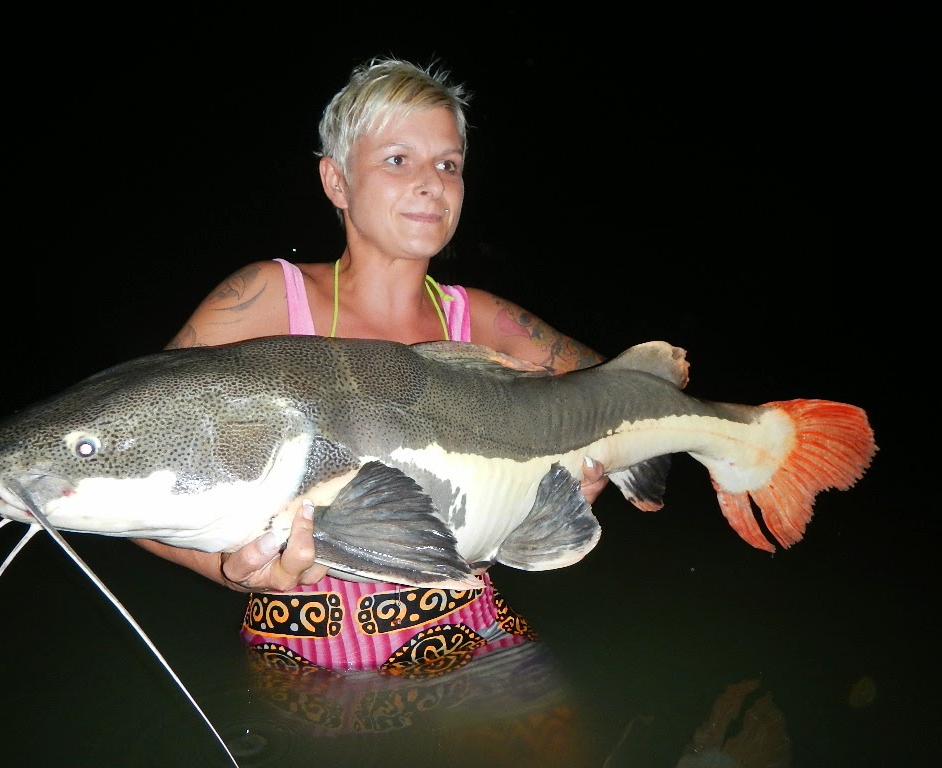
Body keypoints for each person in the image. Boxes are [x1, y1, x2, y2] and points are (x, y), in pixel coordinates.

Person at [134, 57, 608, 675]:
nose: (431, 183)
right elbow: (133, 463)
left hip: (474, 629)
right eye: (397, 159)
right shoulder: (267, 298)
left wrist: (578, 464)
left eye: (448, 164)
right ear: (336, 182)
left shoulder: (485, 322)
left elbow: (622, 389)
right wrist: (230, 571)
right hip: (305, 650)